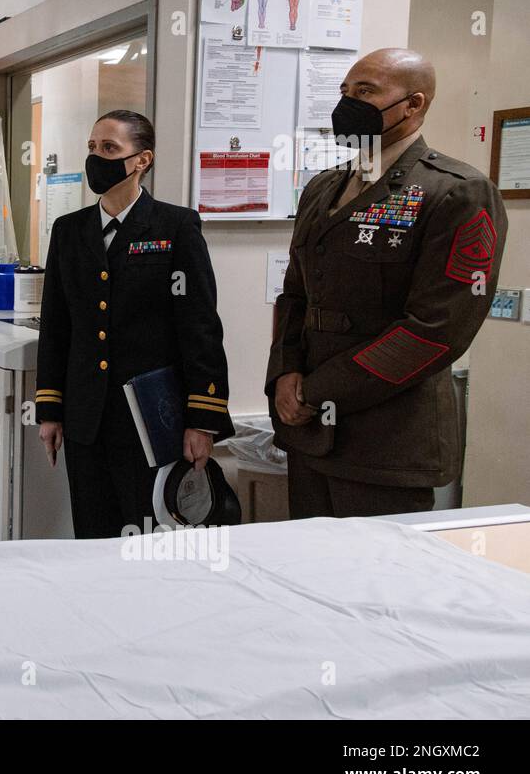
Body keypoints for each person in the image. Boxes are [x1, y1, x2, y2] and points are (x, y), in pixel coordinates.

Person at [267, 48, 507, 518]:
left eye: (365, 92)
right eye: (344, 92)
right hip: (309, 433)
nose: (347, 103)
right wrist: (284, 373)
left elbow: (436, 331)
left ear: (413, 104)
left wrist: (318, 391)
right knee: (306, 577)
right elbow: (296, 292)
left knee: (375, 587)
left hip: (388, 440)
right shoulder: (323, 186)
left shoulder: (456, 191)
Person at [35, 110, 234, 538]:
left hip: (152, 420)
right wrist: (49, 409)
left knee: (148, 535)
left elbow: (199, 327)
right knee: (92, 532)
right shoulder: (69, 231)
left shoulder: (175, 226)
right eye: (92, 148)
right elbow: (56, 326)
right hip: (87, 416)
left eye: (109, 148)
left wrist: (202, 420)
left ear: (142, 160)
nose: (97, 158)